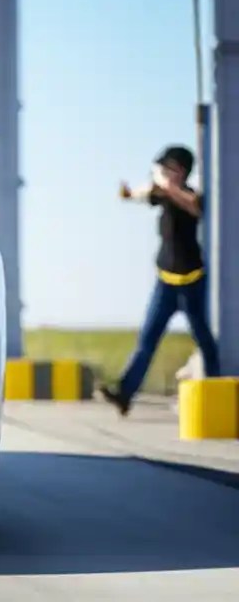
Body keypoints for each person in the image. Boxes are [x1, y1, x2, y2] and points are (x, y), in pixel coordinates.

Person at [101, 145, 220, 415]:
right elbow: (144, 193)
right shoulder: (163, 195)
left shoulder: (189, 196)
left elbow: (194, 207)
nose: (166, 172)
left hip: (192, 282)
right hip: (165, 281)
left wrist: (168, 188)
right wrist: (130, 193)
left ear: (182, 171)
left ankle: (215, 393)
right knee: (147, 340)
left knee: (204, 340)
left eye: (171, 167)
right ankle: (124, 393)